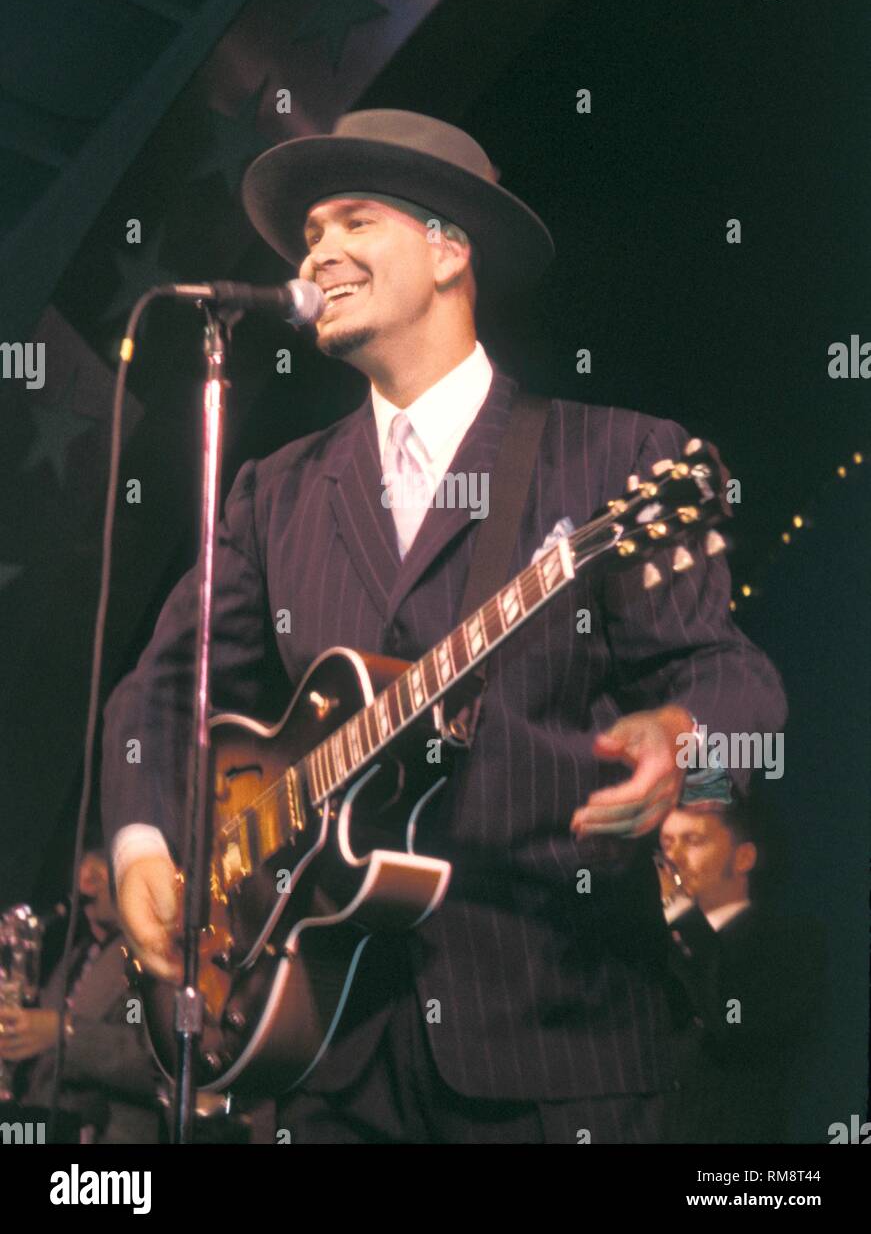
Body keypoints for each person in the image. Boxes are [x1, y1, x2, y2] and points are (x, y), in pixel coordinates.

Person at [100, 108, 787, 1143]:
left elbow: (737, 680)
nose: (317, 252)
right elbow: (160, 688)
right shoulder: (272, 493)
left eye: (354, 221)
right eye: (309, 235)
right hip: (326, 1050)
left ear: (448, 248)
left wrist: (686, 743)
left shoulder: (614, 460)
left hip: (556, 1049)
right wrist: (145, 840)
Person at [658, 802, 826, 1142]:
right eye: (666, 844)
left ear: (743, 857)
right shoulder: (658, 942)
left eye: (692, 840)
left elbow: (733, 1023)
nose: (673, 857)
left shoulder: (790, 941)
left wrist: (681, 913)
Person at [0, 845, 161, 1143]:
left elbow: (158, 1065)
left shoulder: (154, 960)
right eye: (84, 864)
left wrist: (66, 1032)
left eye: (104, 863)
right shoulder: (73, 958)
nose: (88, 879)